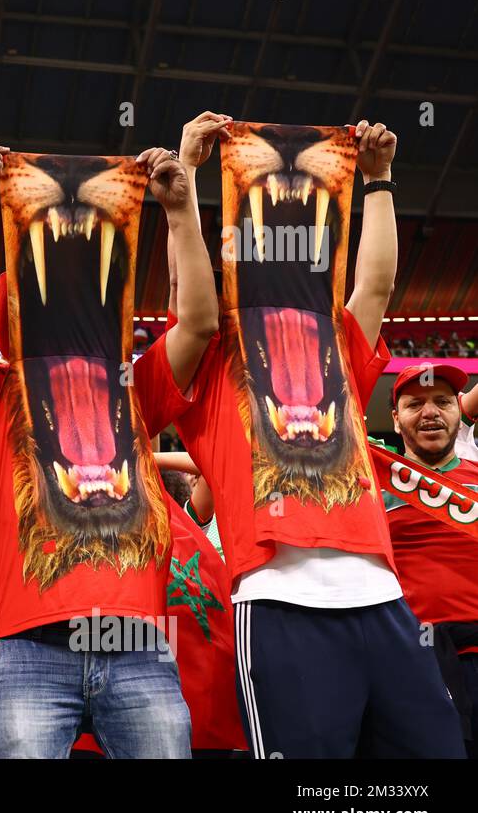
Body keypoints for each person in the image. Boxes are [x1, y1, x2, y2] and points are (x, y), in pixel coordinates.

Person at [169, 111, 463, 758]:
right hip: (280, 607)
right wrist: (185, 175)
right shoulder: (216, 365)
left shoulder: (338, 355)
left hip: (383, 601)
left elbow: (377, 283)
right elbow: (189, 299)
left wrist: (380, 180)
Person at [0, 142, 220, 758]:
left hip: (135, 643)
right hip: (29, 645)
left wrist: (181, 210)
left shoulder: (135, 385)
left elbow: (199, 324)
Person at [382, 362, 478, 756]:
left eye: (441, 401)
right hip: (409, 658)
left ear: (459, 409)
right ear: (395, 417)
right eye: (414, 404)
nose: (430, 412)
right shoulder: (371, 485)